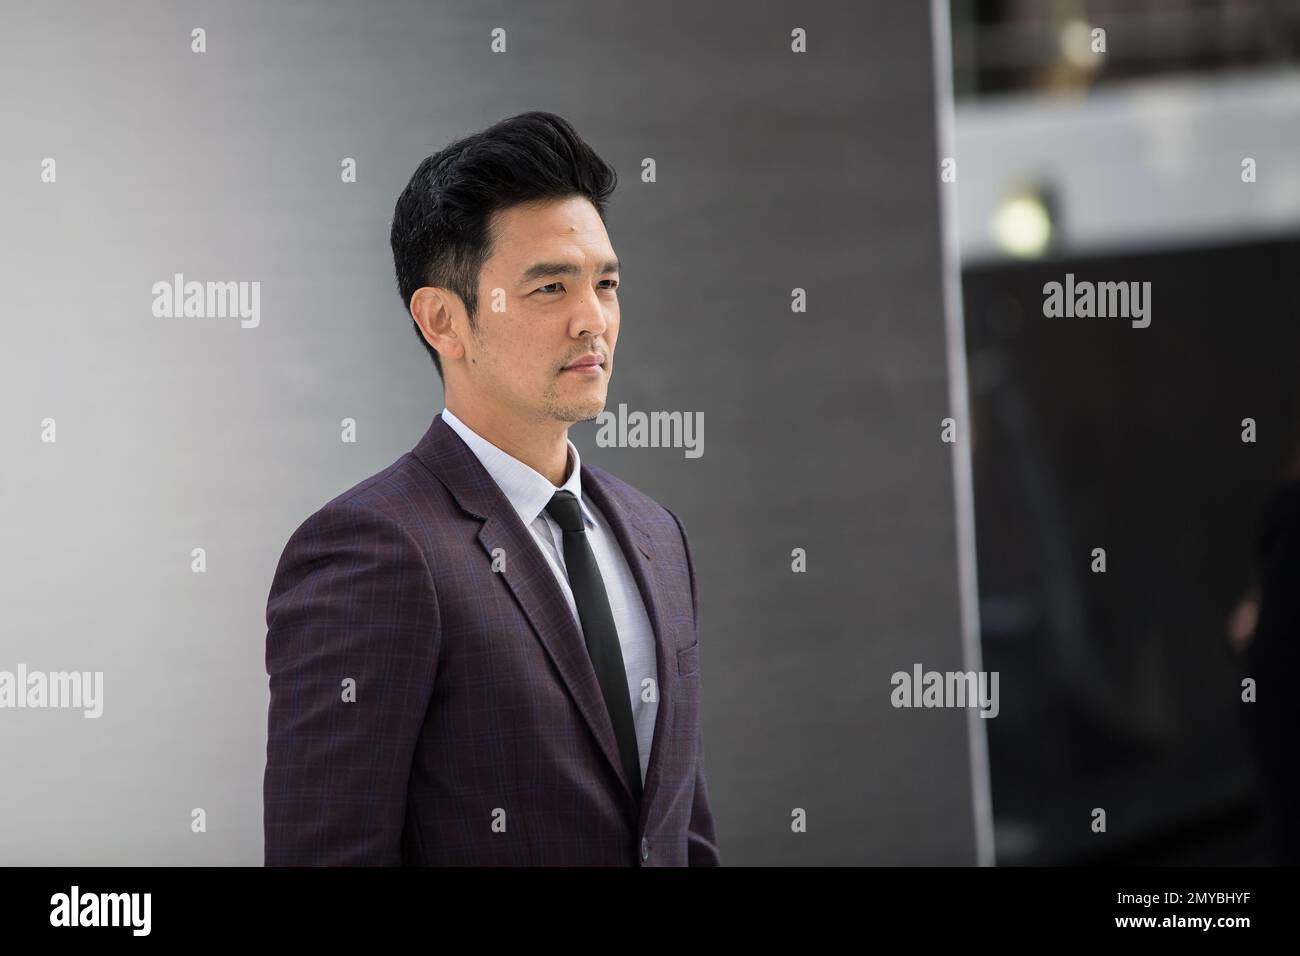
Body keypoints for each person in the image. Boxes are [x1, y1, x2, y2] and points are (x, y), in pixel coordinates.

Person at [262, 111, 719, 866]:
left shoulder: (655, 535)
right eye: (548, 288)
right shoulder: (374, 550)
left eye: (605, 283)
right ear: (444, 319)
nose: (591, 321)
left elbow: (680, 833)